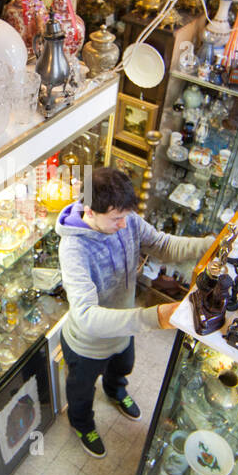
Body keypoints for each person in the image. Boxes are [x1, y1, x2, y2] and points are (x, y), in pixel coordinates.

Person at [56, 167, 215, 458]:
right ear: (90, 211)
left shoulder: (125, 221)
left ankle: (116, 392)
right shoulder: (73, 249)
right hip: (87, 343)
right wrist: (153, 317)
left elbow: (162, 244)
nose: (124, 225)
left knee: (122, 367)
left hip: (123, 327)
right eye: (116, 219)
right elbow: (87, 316)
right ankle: (82, 424)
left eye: (126, 216)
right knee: (80, 393)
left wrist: (209, 245)